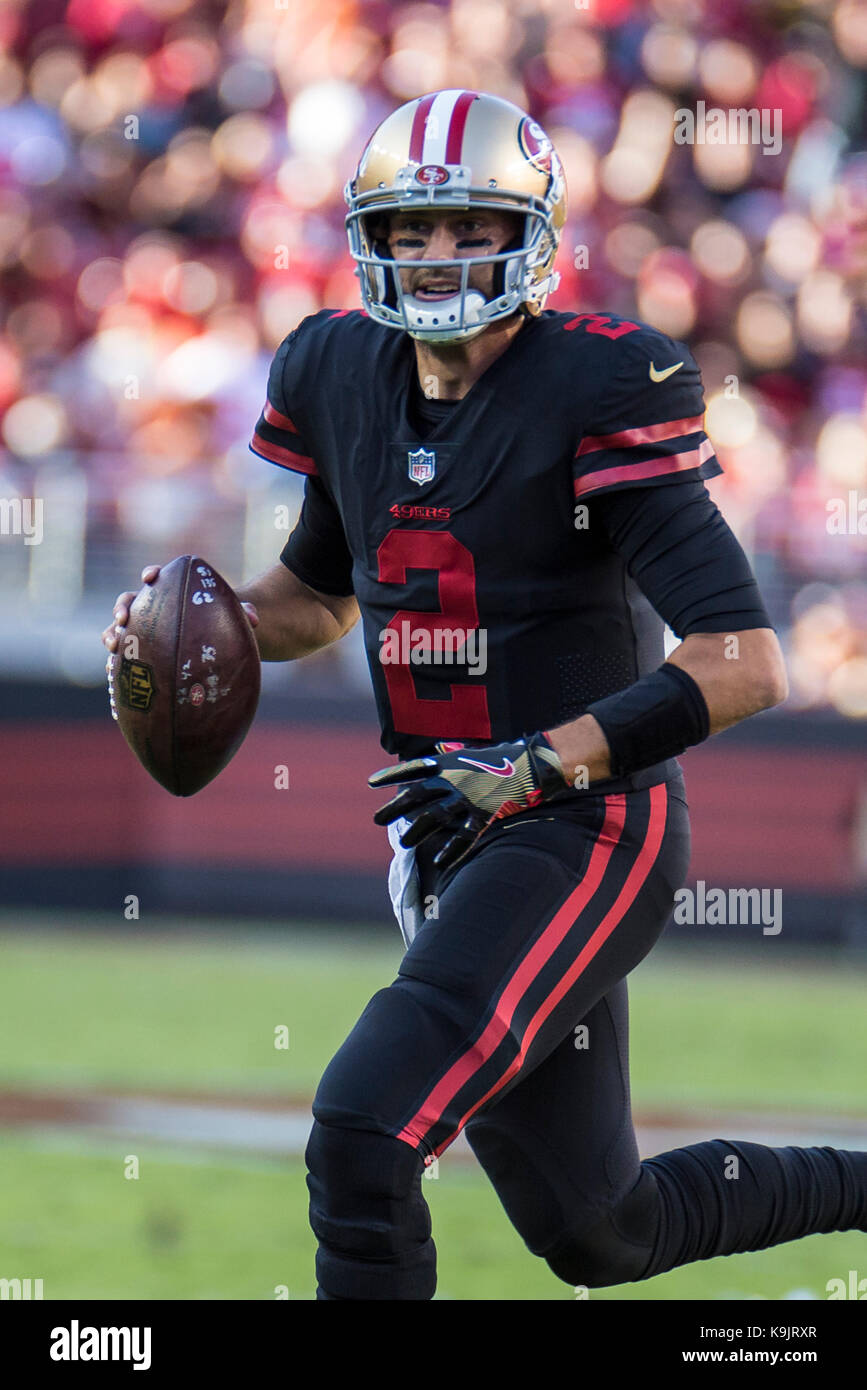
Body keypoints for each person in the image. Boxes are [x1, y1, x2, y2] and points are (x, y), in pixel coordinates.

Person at [103, 91, 866, 1301]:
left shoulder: (600, 383)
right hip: (451, 832)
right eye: (411, 231)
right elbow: (321, 595)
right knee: (600, 1230)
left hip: (585, 822)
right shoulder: (337, 369)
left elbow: (743, 659)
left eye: (471, 228)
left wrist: (532, 765)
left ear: (534, 237)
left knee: (363, 1131)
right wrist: (208, 627)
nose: (438, 257)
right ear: (370, 240)